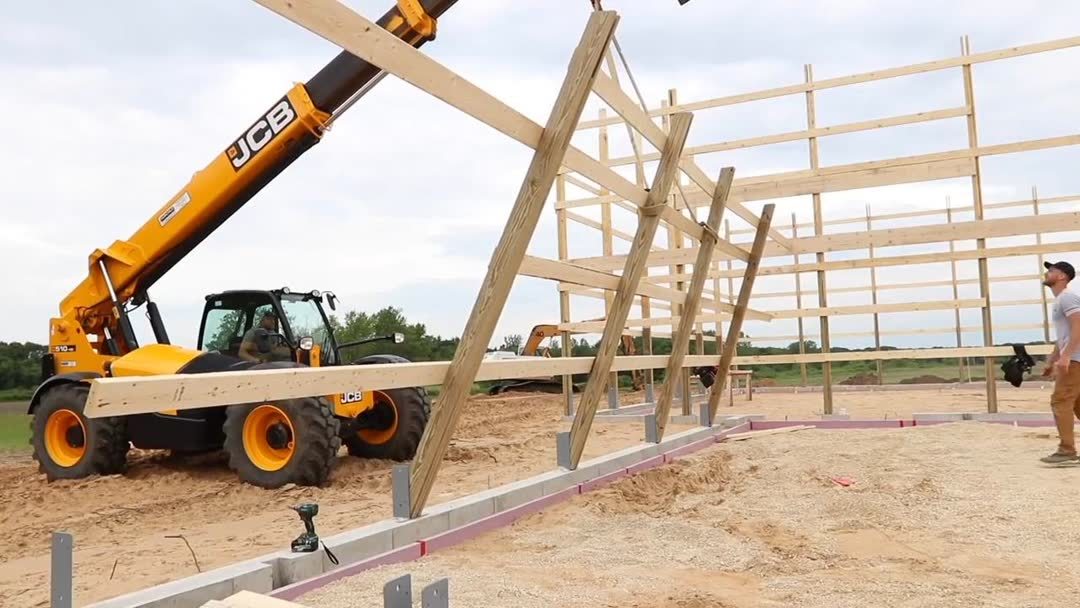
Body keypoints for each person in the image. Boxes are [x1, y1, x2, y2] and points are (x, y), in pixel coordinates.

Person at [1039, 260, 1080, 463]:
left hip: (1075, 360)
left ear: (1062, 276)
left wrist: (1066, 356)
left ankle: (1067, 451)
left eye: (1052, 270)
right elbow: (1064, 336)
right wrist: (1052, 360)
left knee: (1060, 400)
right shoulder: (1060, 301)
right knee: (1078, 404)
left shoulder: (1067, 297)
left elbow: (1078, 326)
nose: (1047, 273)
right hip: (1074, 358)